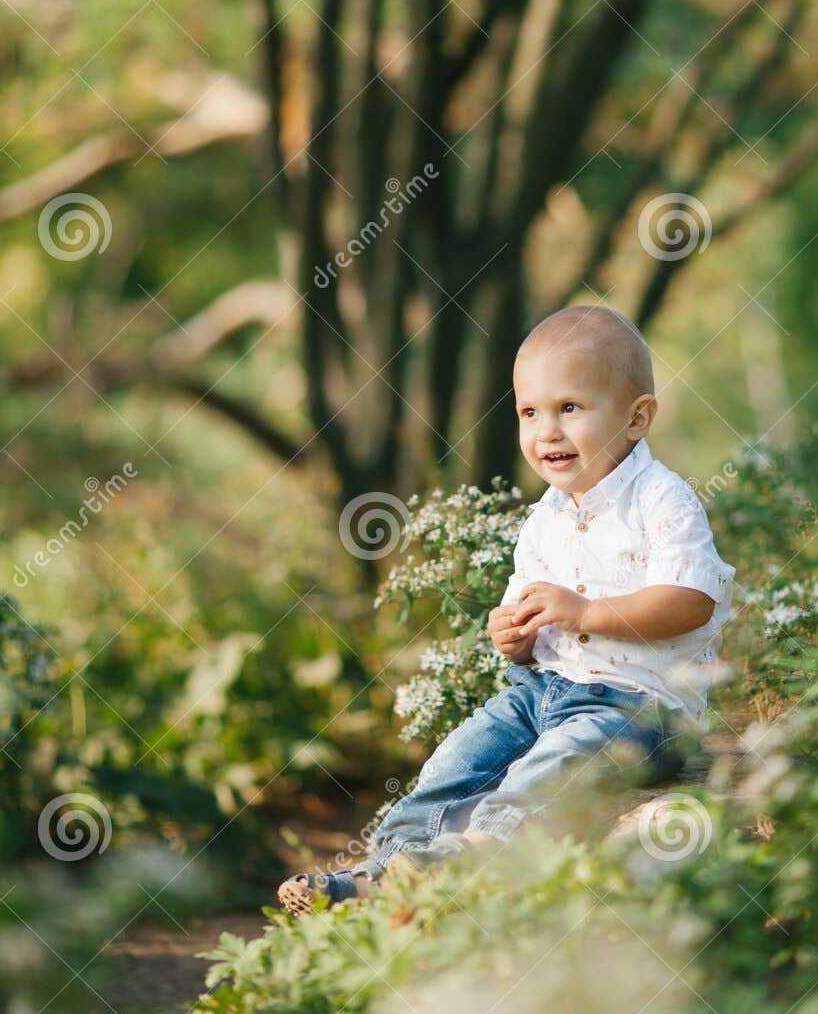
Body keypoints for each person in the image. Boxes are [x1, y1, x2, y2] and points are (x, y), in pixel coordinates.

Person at [277, 305, 735, 914]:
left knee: (553, 767)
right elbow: (531, 612)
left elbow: (690, 602)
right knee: (456, 759)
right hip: (540, 692)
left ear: (637, 418)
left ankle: (481, 852)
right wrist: (512, 635)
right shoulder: (544, 517)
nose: (547, 431)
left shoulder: (662, 499)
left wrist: (585, 613)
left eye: (570, 408)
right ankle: (387, 867)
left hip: (640, 707)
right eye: (529, 412)